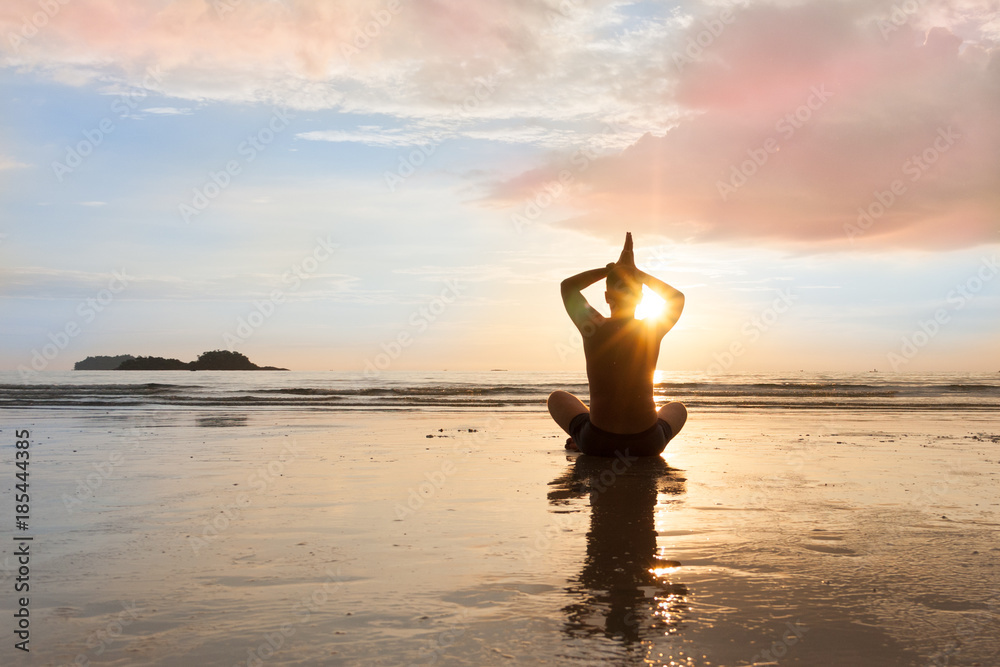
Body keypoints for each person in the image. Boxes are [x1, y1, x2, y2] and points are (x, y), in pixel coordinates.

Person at [547, 232, 687, 457]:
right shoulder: (650, 329)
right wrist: (637, 273)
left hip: (597, 442)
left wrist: (610, 270)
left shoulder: (593, 326)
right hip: (647, 444)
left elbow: (568, 286)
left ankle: (579, 440)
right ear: (640, 297)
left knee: (557, 398)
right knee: (677, 408)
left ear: (606, 296)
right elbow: (677, 298)